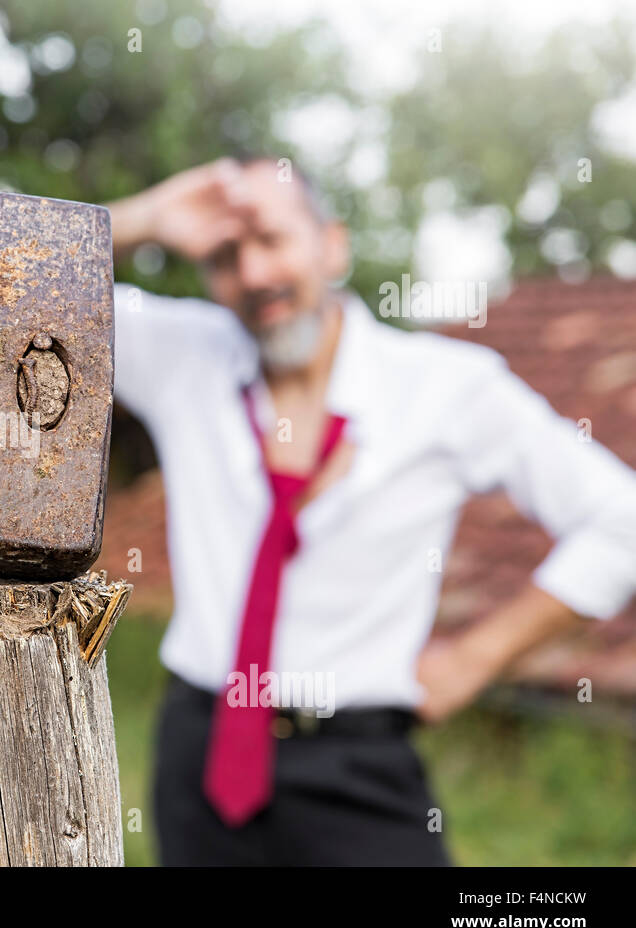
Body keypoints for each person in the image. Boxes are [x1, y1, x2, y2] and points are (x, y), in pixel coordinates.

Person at [105, 156, 636, 865]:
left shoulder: (447, 388)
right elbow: (12, 287)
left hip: (357, 766)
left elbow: (619, 521)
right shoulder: (182, 354)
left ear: (333, 244)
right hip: (199, 750)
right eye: (225, 254)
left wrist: (478, 656)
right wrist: (146, 217)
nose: (255, 274)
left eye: (272, 240)